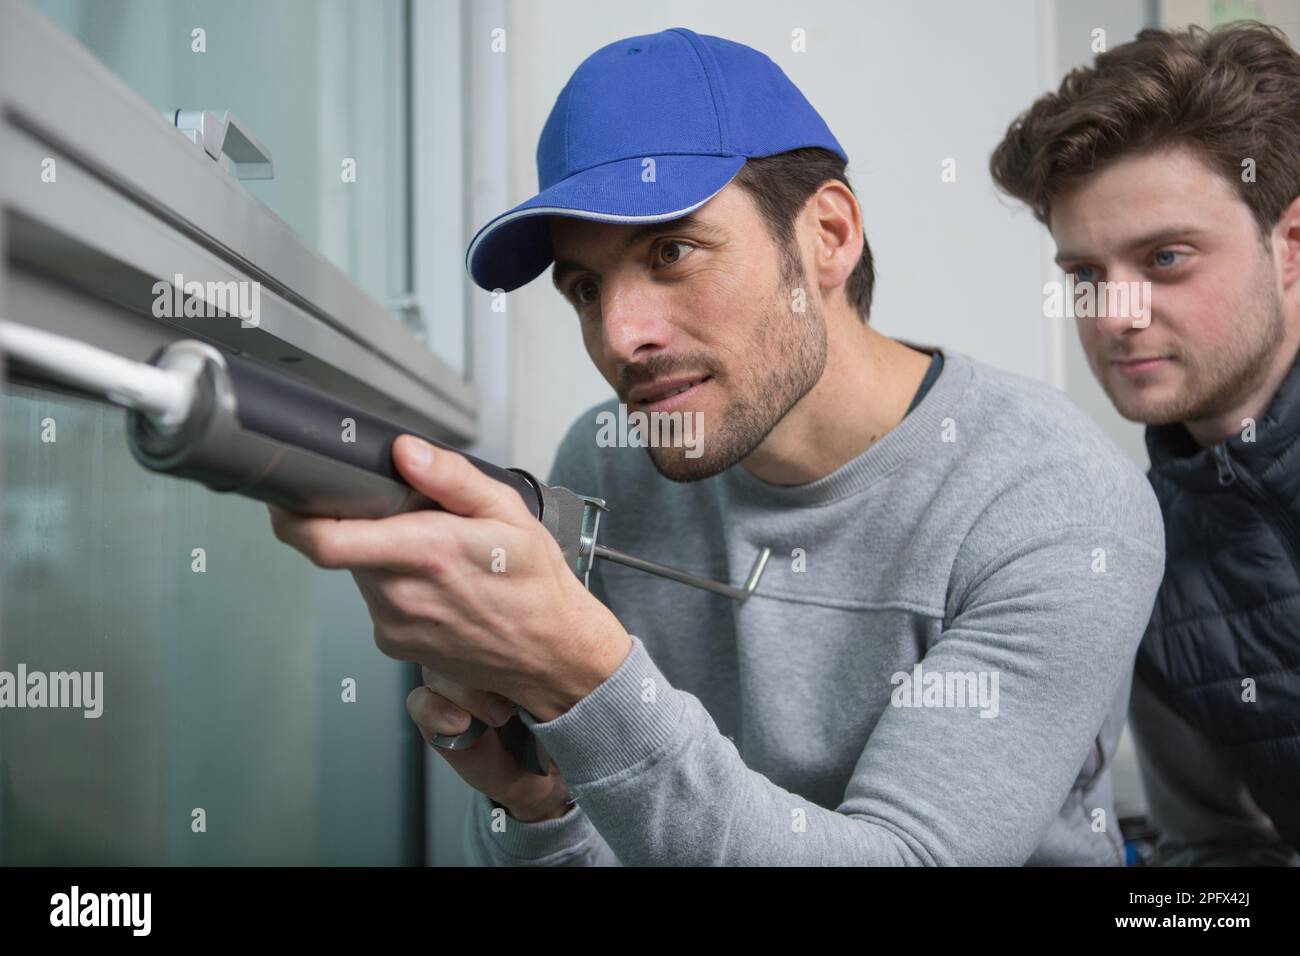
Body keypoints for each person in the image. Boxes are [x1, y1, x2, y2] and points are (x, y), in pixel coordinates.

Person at [271, 27, 1164, 865]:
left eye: (673, 253)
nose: (621, 336)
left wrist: (587, 677)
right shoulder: (613, 458)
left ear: (827, 236)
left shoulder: (1056, 502)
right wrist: (542, 804)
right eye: (586, 286)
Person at [990, 22, 1300, 865]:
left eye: (1165, 257)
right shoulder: (1137, 550)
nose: (1115, 316)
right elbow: (1218, 853)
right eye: (1085, 275)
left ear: (1292, 247)